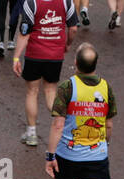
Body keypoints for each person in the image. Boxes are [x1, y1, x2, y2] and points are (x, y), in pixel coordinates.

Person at [47, 44, 117, 179]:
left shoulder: (68, 86)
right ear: (95, 66)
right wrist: (104, 144)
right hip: (96, 152)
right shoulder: (106, 87)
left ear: (76, 64)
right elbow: (109, 124)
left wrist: (50, 154)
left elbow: (58, 124)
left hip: (68, 152)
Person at [13, 0, 79, 147]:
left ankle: (31, 133)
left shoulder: (31, 3)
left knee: (32, 92)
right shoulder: (66, 2)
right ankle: (67, 127)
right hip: (55, 54)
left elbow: (25, 33)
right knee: (50, 91)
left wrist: (16, 57)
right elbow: (73, 28)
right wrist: (67, 43)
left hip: (35, 54)